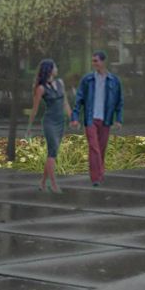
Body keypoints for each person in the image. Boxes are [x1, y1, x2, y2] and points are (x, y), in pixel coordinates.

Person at [72, 50, 124, 186]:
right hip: (90, 119)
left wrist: (118, 119)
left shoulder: (114, 81)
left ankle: (99, 175)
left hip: (105, 119)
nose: (93, 63)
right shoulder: (87, 80)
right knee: (94, 148)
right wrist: (75, 117)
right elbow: (79, 99)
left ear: (103, 62)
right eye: (93, 61)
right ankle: (96, 177)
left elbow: (119, 102)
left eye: (96, 61)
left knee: (101, 149)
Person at [28, 59, 68, 192]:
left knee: (53, 153)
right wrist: (29, 127)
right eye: (55, 67)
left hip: (61, 121)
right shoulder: (41, 88)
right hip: (50, 122)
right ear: (49, 70)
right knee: (53, 152)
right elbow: (35, 109)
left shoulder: (60, 83)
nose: (57, 69)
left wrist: (73, 117)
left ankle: (42, 183)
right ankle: (54, 185)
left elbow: (65, 103)